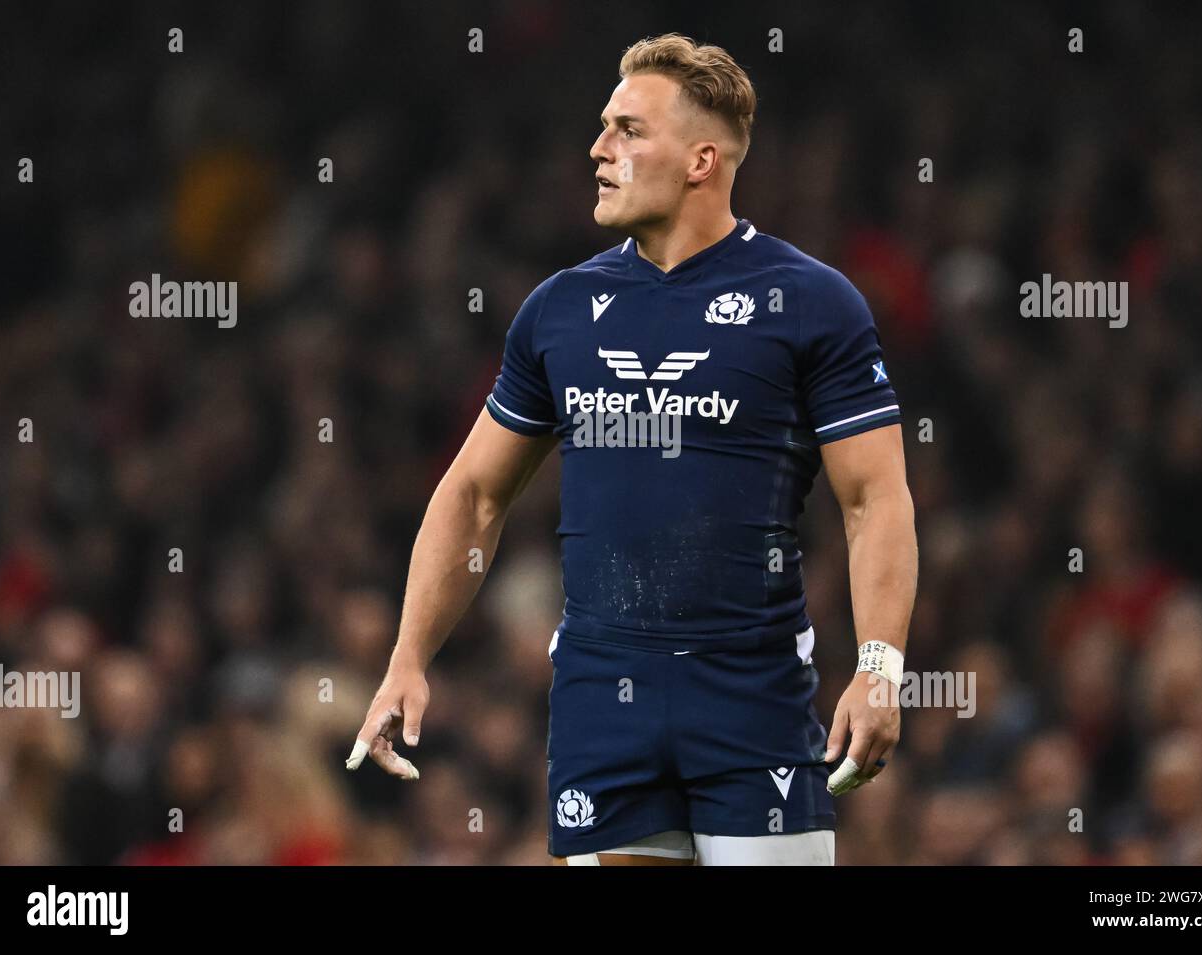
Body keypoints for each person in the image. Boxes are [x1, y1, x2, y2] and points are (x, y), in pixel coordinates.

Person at [347, 33, 917, 866]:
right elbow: (474, 494)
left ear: (701, 160)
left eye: (627, 129)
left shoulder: (812, 303)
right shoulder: (560, 310)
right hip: (600, 695)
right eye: (603, 127)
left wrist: (879, 667)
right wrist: (407, 658)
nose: (597, 148)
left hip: (749, 692)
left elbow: (875, 500)